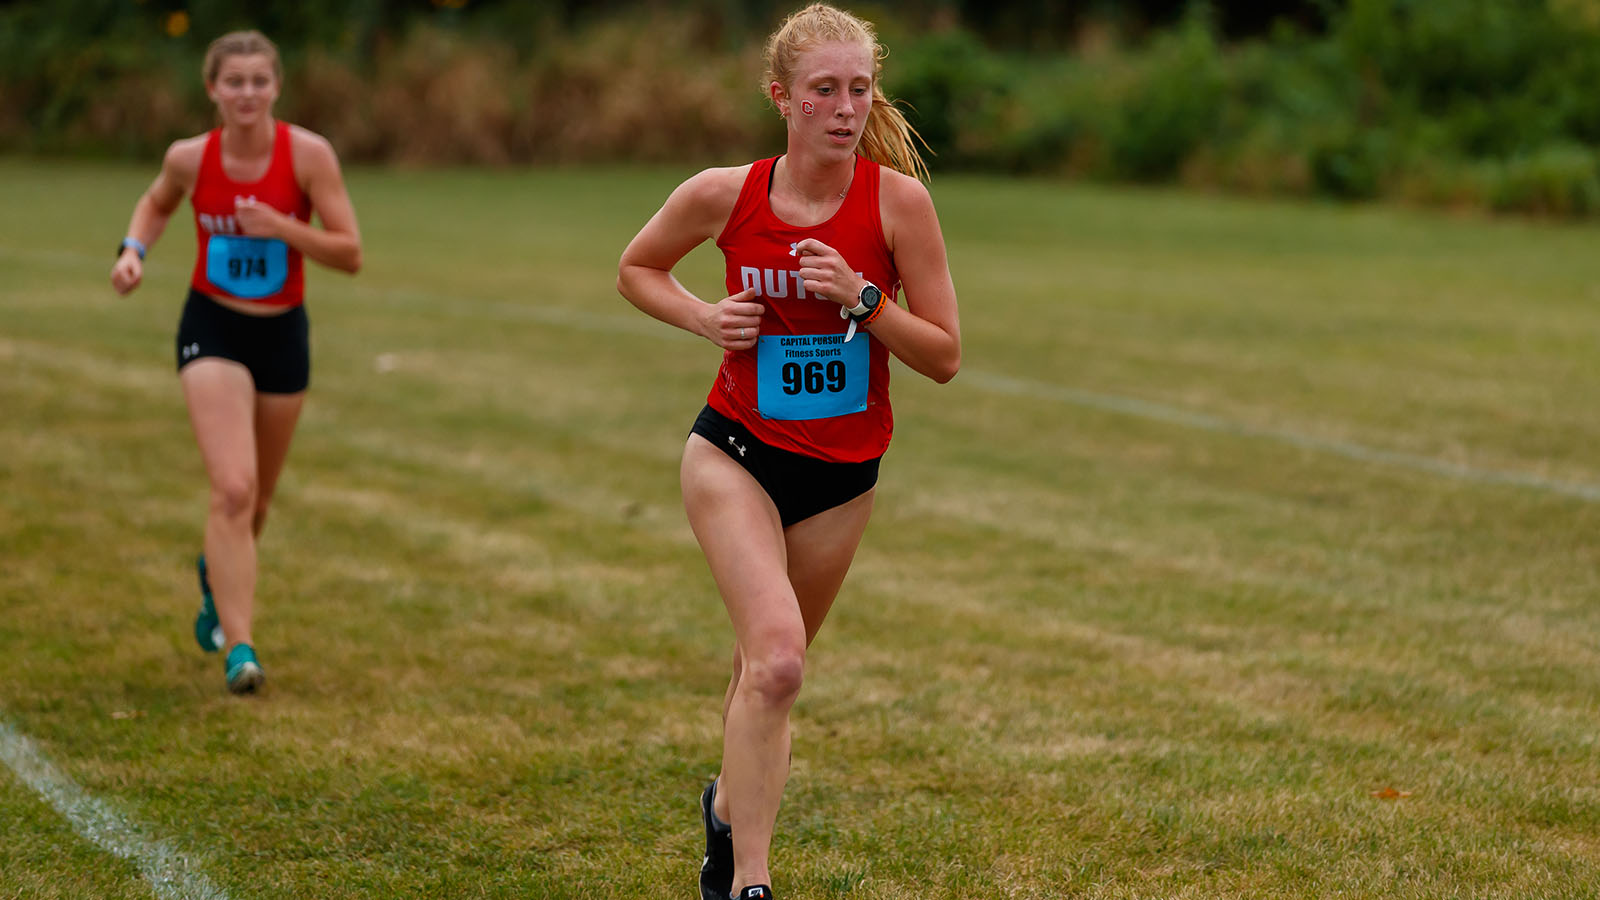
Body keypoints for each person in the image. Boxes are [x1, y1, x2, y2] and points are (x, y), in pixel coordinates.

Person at [617, 5, 961, 897]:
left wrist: (862, 300)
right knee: (777, 659)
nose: (847, 108)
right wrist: (704, 316)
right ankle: (751, 882)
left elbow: (944, 356)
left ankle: (726, 809)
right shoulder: (723, 193)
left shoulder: (898, 205)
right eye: (825, 91)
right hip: (734, 447)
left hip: (842, 477)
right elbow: (636, 267)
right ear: (783, 97)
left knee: (757, 678)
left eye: (860, 89)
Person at [109, 30, 362, 695]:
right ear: (212, 89)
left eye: (259, 80)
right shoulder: (190, 158)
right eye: (234, 81)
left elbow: (349, 252)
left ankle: (213, 579)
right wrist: (133, 249)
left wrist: (283, 228)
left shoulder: (308, 155)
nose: (247, 92)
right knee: (233, 488)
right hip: (212, 328)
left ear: (275, 86)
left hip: (283, 336)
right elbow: (157, 203)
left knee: (259, 502)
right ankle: (239, 648)